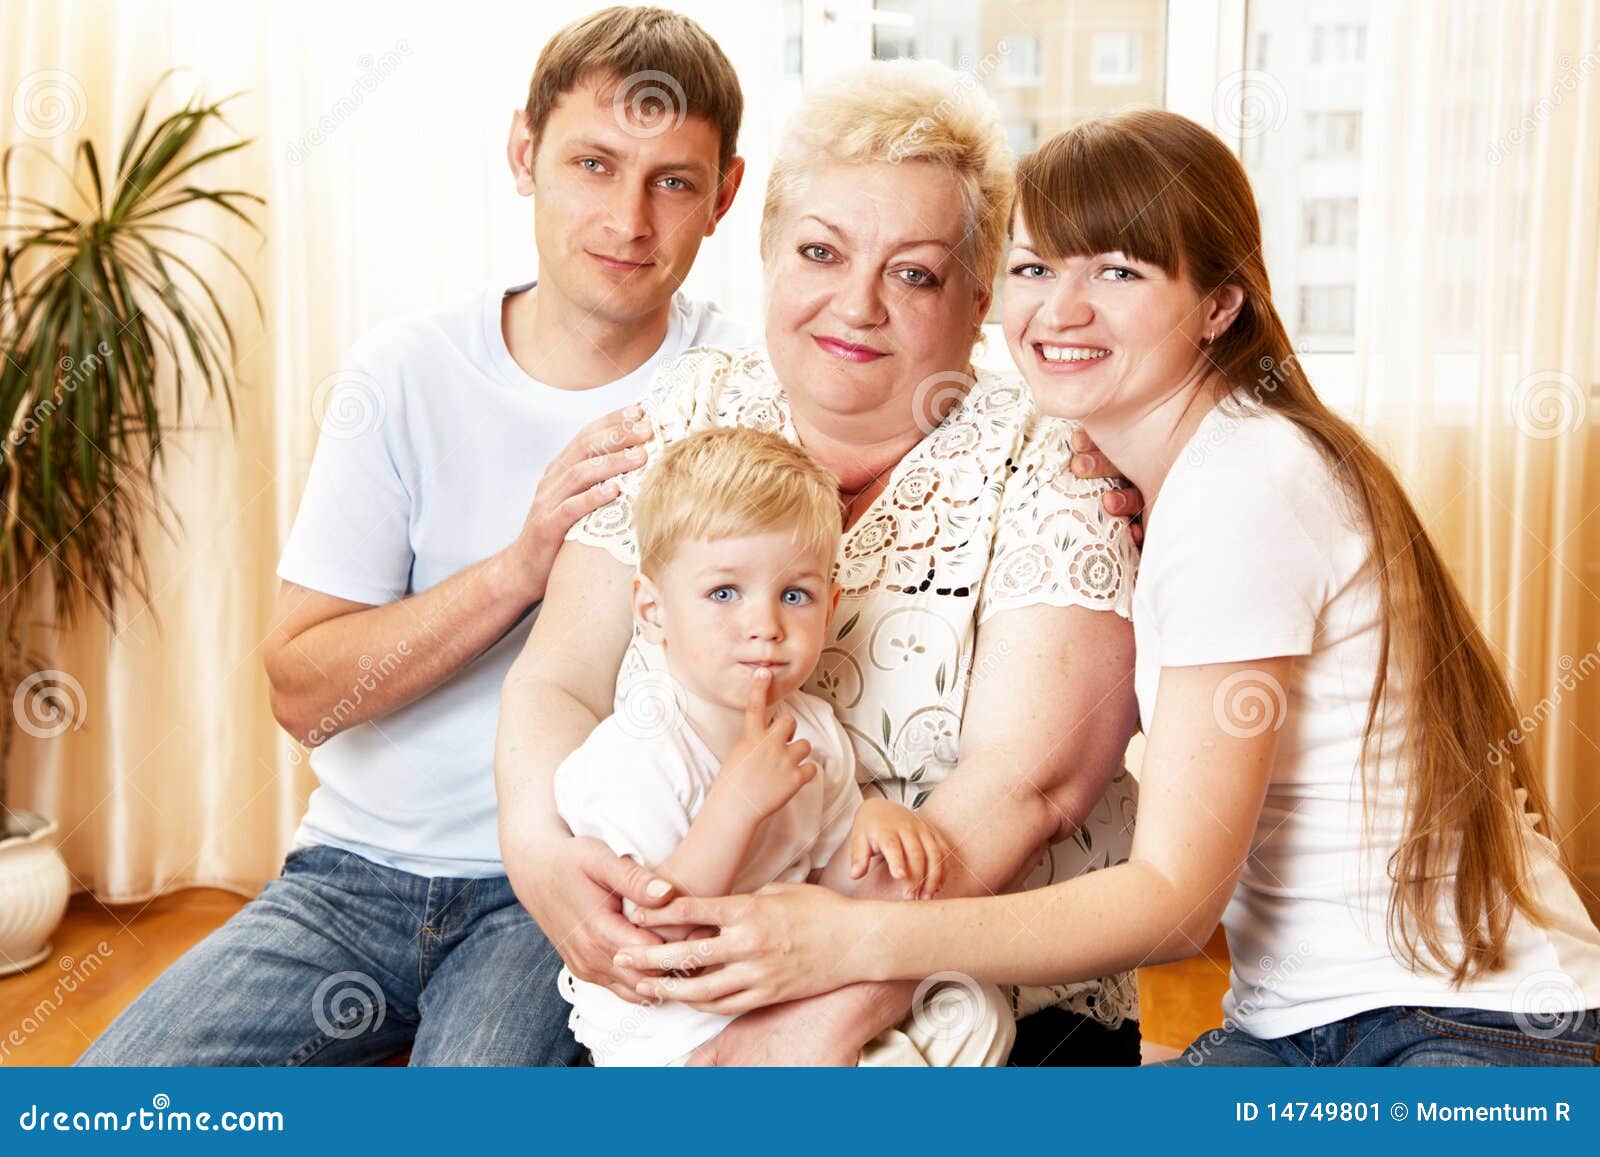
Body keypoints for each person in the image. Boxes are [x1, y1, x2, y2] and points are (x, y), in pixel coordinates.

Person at [617, 109, 1600, 1068]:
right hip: (1300, 1027)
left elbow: (1174, 901)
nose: (1059, 310)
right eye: (1037, 268)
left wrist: (848, 941)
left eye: (1119, 272)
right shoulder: (1191, 471)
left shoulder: (1240, 487)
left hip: (1459, 1034)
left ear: (1219, 305)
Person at [79, 6, 752, 1067]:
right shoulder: (401, 374)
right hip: (349, 876)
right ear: (523, 154)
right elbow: (301, 691)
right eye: (593, 163)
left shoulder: (736, 388)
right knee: (107, 1101)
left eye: (672, 179)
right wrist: (522, 565)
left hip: (555, 891)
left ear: (725, 195)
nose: (628, 218)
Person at [496, 59, 1146, 1067]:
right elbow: (558, 680)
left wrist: (810, 1020)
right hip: (683, 984)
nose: (856, 305)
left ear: (979, 298)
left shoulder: (1055, 456)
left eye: (915, 272)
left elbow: (1031, 786)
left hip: (974, 994)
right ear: (766, 254)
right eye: (819, 251)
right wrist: (540, 855)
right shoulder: (683, 412)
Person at [553, 427, 1010, 1066]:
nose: (765, 626)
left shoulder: (812, 729)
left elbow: (826, 881)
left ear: (828, 612)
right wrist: (735, 806)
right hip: (676, 1023)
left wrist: (873, 824)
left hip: (780, 979)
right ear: (653, 611)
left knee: (977, 1007)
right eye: (723, 593)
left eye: (794, 595)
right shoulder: (635, 751)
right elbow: (656, 938)